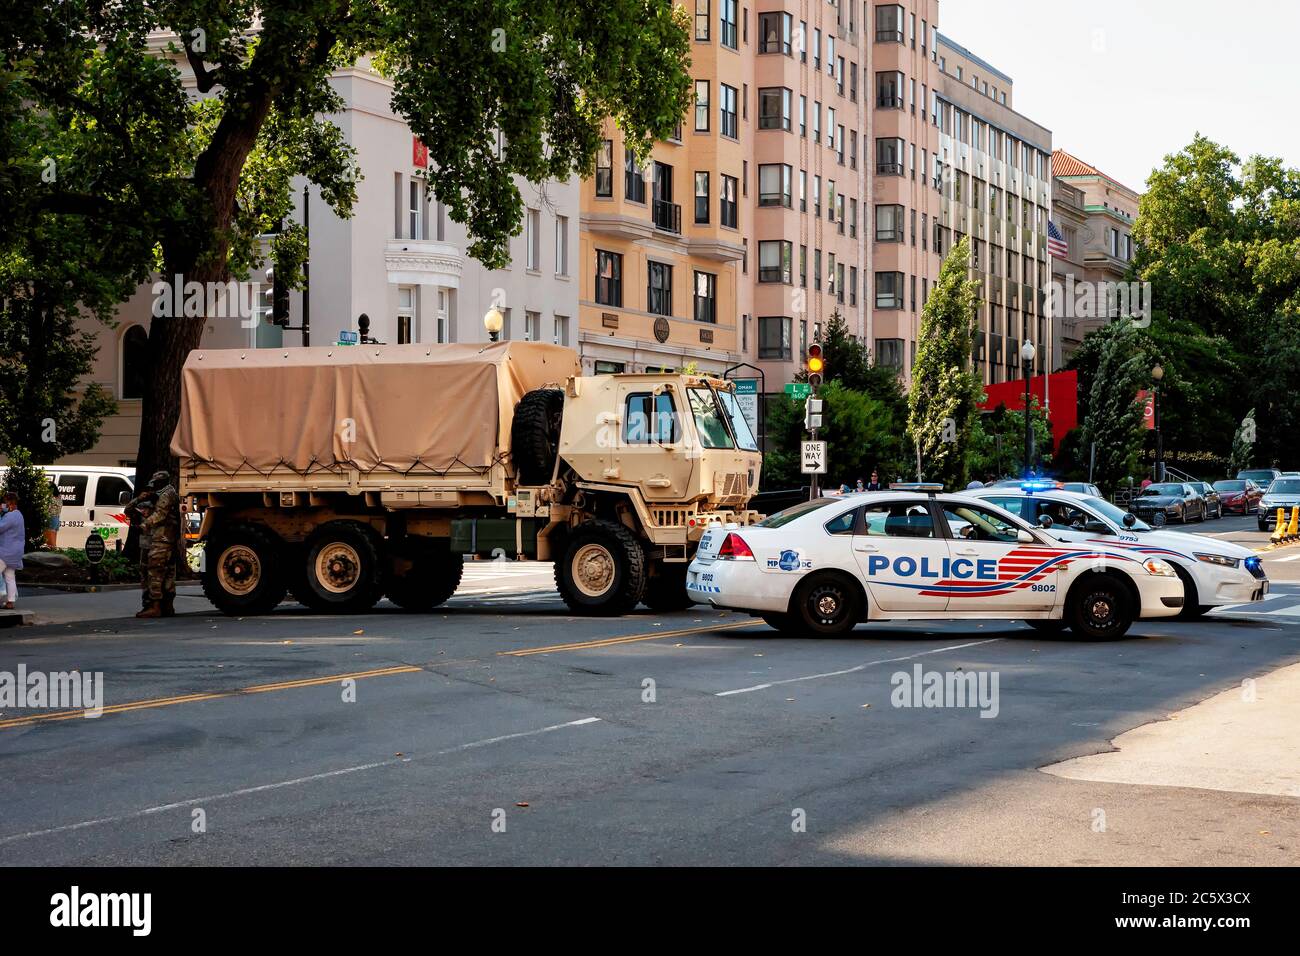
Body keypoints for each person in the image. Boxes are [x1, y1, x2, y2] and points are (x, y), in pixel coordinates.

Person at [137, 470, 180, 618]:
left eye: (156, 483)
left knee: (155, 571)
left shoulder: (166, 494)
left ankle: (155, 606)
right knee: (168, 573)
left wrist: (145, 524)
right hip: (167, 539)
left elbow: (160, 514)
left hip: (162, 539)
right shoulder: (167, 493)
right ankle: (167, 606)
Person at [0, 492, 26, 610]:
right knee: (10, 576)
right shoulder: (19, 515)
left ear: (10, 503)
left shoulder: (10, 516)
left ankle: (3, 597)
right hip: (16, 552)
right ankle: (10, 602)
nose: (3, 505)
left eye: (5, 502)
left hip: (5, 551)